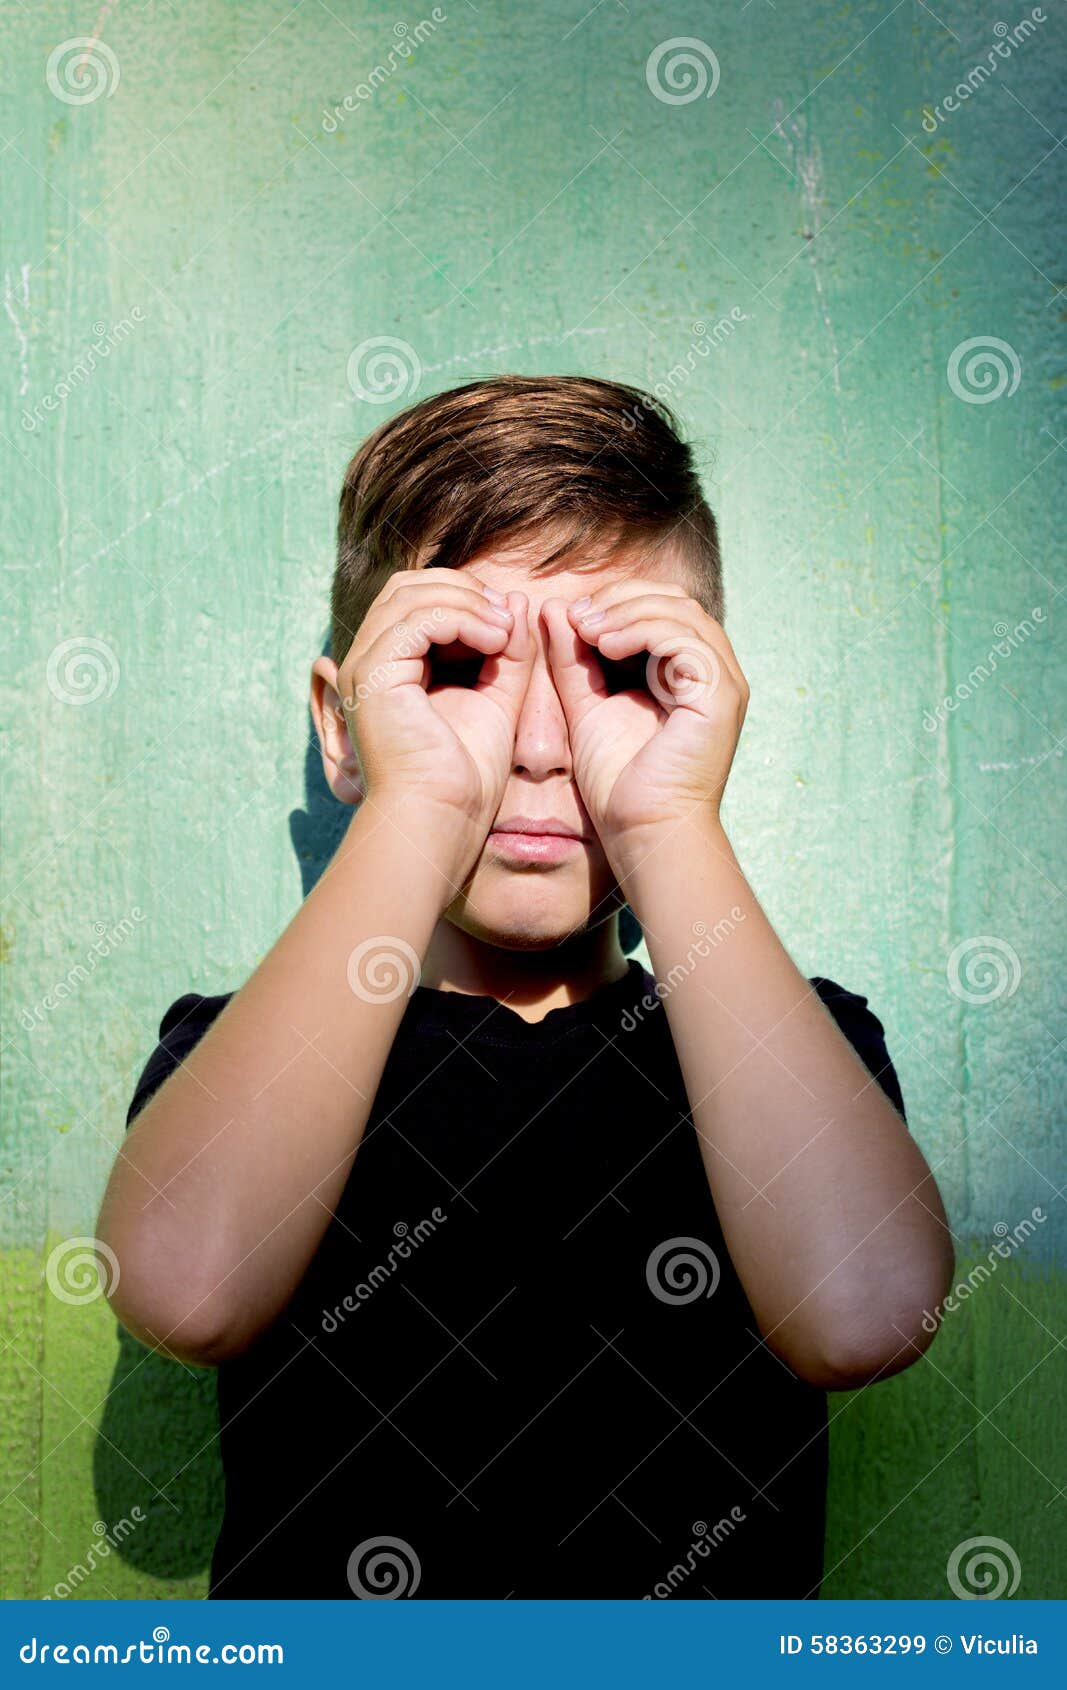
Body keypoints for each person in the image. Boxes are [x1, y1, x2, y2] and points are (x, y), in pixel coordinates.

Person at [98, 375, 954, 1599]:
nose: (543, 746)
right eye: (458, 668)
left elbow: (861, 1317)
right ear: (342, 727)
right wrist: (422, 802)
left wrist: (663, 817)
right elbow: (186, 1289)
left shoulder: (794, 1044)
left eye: (616, 671)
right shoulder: (247, 1052)